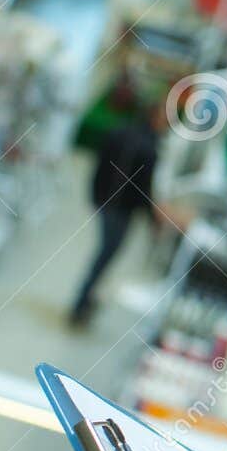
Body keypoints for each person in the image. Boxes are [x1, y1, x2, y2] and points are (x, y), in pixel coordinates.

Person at [68, 97, 165, 329]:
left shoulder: (118, 132)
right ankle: (81, 304)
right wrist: (155, 218)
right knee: (105, 257)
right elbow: (143, 189)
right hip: (121, 211)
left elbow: (99, 166)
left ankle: (84, 301)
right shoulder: (149, 148)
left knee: (104, 255)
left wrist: (95, 196)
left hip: (106, 204)